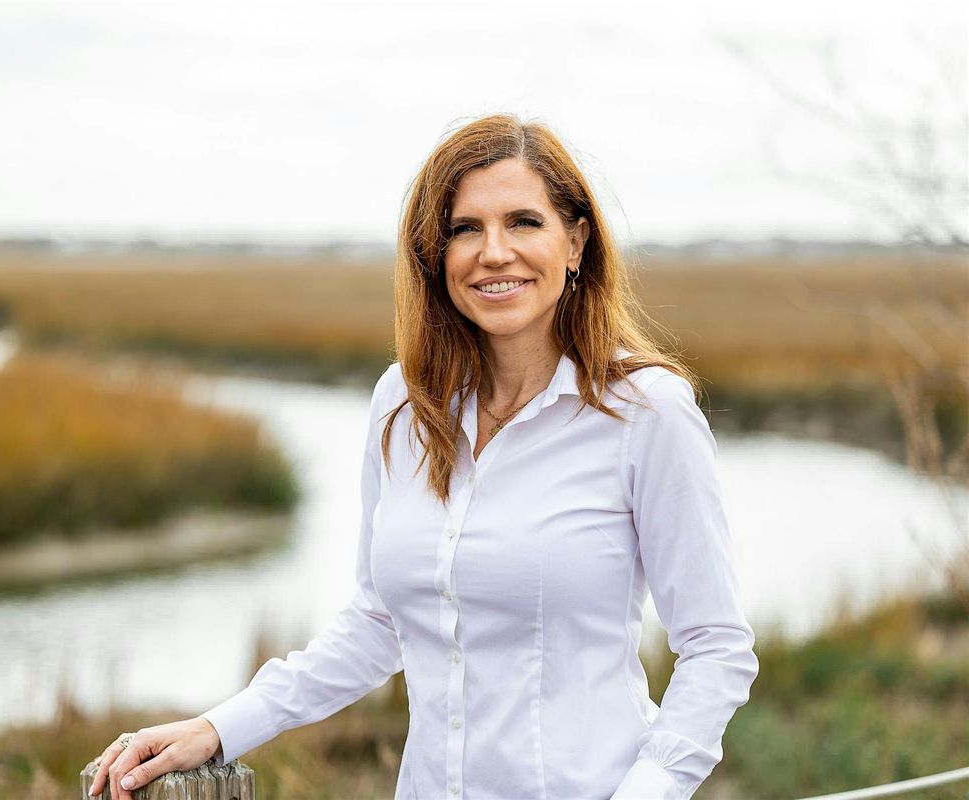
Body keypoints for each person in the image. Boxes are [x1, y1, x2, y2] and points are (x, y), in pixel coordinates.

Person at [89, 113, 759, 800]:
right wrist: (221, 728)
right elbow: (378, 624)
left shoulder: (646, 411)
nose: (494, 252)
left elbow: (716, 648)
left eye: (524, 222)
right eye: (465, 228)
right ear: (435, 256)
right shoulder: (403, 402)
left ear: (576, 242)